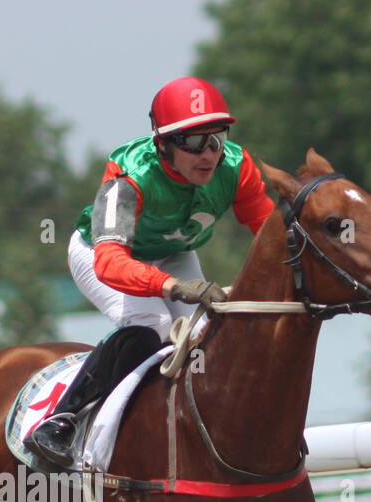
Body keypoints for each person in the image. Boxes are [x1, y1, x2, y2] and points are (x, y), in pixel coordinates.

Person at [26, 77, 276, 468]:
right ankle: (62, 421)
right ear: (162, 145)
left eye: (216, 137)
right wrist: (173, 286)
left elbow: (270, 234)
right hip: (100, 253)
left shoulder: (237, 165)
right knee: (153, 321)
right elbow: (110, 263)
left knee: (203, 334)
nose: (208, 153)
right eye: (192, 141)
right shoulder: (130, 175)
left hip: (173, 252)